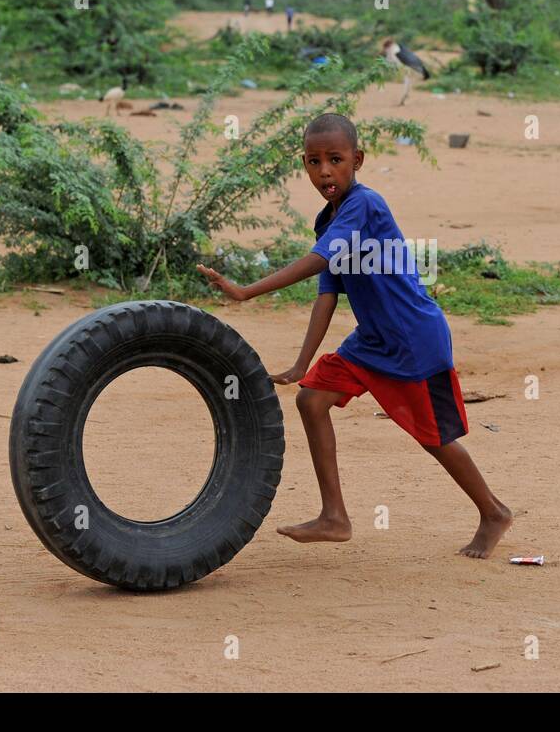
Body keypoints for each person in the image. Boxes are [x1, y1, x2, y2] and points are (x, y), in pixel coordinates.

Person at [196, 113, 513, 559]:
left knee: (433, 436)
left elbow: (317, 262)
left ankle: (493, 512)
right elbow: (328, 294)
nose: (324, 171)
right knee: (311, 398)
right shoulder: (329, 222)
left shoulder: (366, 205)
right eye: (313, 161)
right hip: (372, 341)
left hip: (412, 337)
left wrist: (247, 291)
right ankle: (335, 517)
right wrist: (303, 363)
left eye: (335, 159)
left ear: (357, 160)